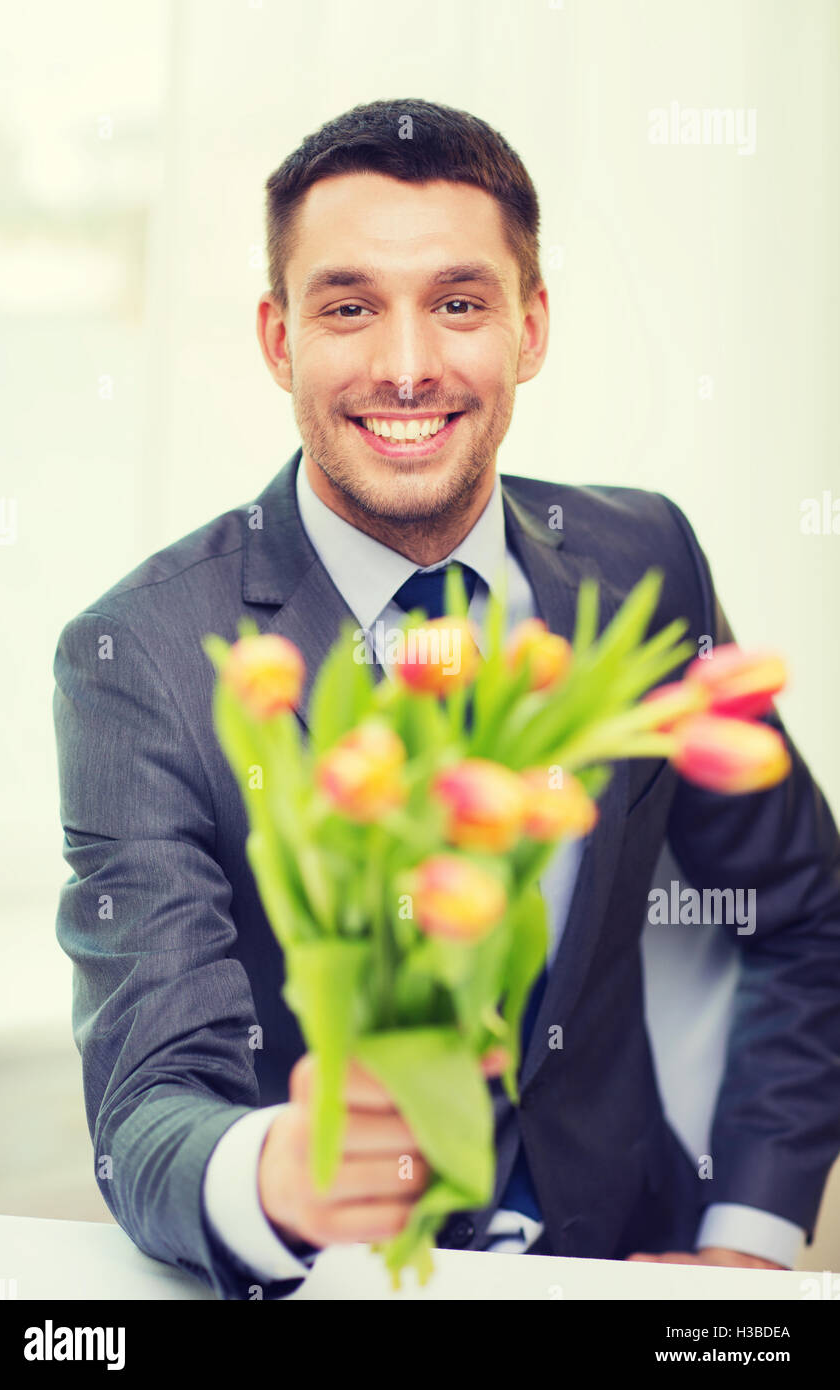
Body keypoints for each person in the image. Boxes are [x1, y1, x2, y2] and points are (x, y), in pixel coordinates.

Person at [53, 99, 840, 1300]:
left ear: (529, 328)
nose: (407, 366)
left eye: (459, 303)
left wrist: (746, 1239)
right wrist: (273, 1173)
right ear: (277, 339)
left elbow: (800, 918)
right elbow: (149, 1102)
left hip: (626, 1270)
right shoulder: (140, 654)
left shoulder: (642, 565)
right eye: (349, 305)